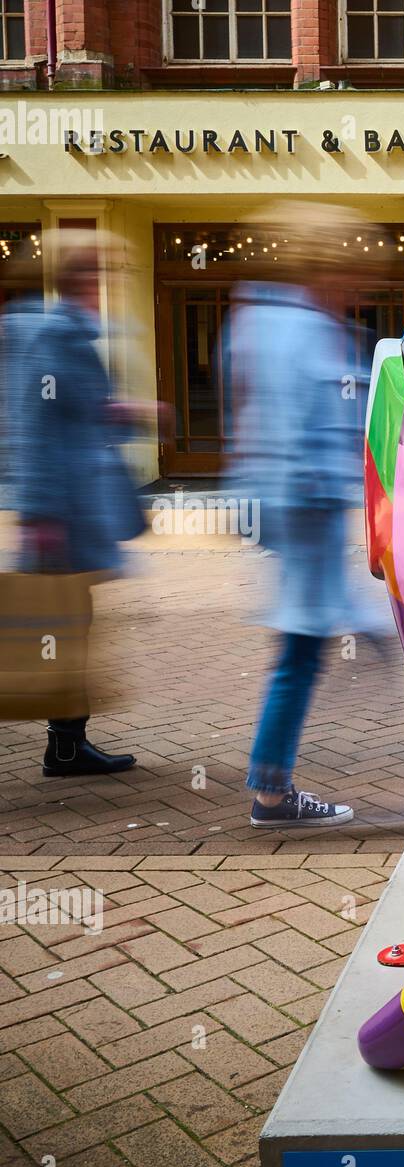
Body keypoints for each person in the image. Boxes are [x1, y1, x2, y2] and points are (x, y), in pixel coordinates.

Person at [227, 203, 383, 828]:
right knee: (300, 652)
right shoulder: (311, 332)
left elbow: (248, 417)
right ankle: (271, 792)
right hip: (305, 508)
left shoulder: (252, 321)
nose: (356, 286)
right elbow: (314, 435)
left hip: (272, 506)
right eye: (350, 270)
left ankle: (272, 784)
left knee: (300, 648)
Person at [0, 230, 145, 775]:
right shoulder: (55, 333)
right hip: (62, 514)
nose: (103, 280)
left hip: (73, 510)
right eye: (94, 270)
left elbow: (81, 411)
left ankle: (66, 742)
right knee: (59, 627)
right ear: (73, 275)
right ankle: (64, 745)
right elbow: (34, 423)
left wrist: (128, 413)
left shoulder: (69, 332)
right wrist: (40, 515)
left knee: (69, 624)